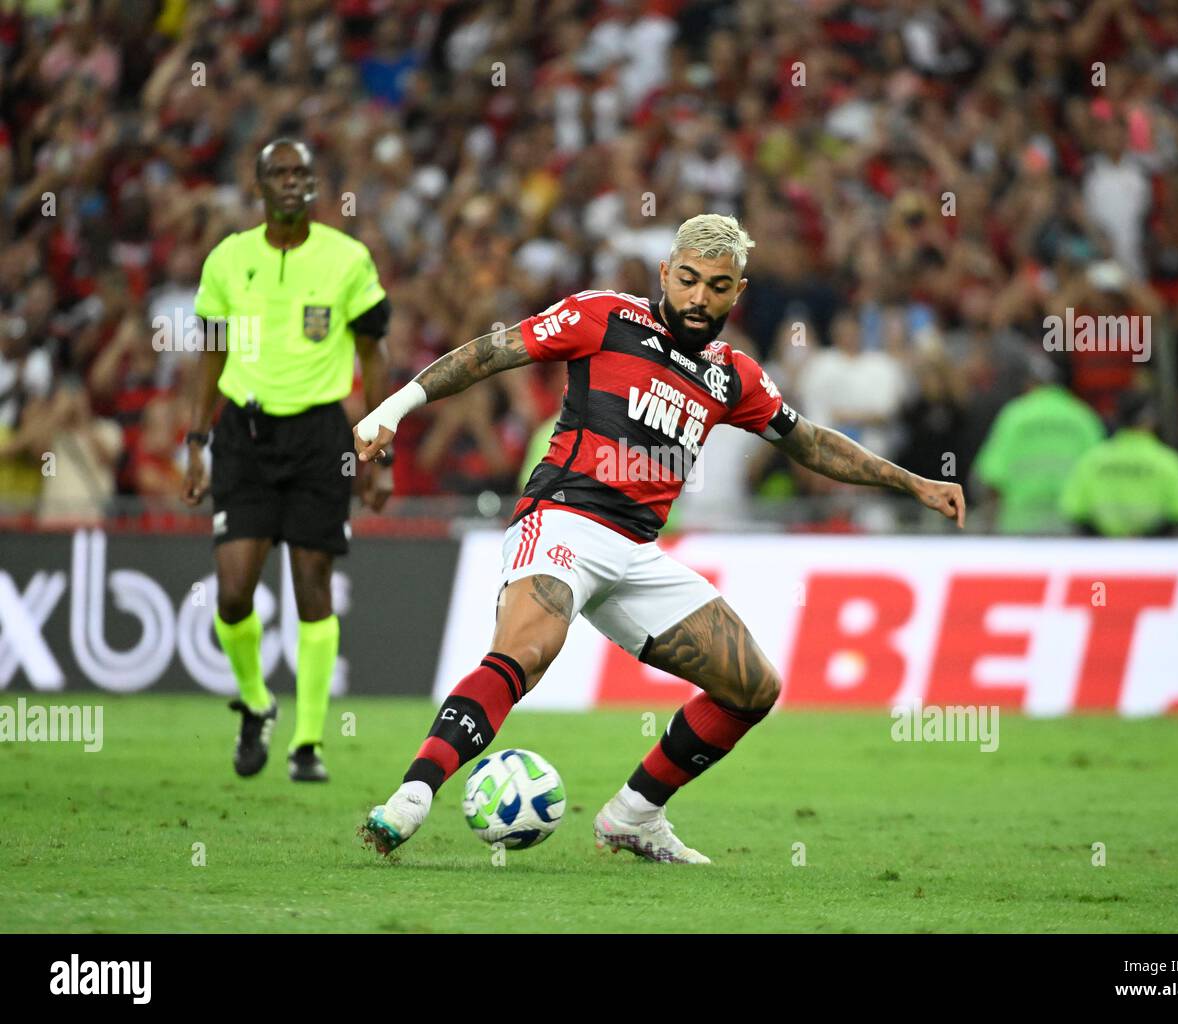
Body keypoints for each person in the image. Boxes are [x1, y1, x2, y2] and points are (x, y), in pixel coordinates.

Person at [353, 214, 965, 863]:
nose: (700, 297)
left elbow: (810, 443)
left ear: (738, 292)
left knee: (753, 686)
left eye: (718, 286)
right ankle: (413, 796)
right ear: (667, 274)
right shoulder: (605, 318)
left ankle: (633, 816)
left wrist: (913, 483)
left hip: (635, 551)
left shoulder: (734, 377)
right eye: (690, 280)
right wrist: (394, 407)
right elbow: (491, 351)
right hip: (563, 518)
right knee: (527, 651)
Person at [182, 139, 393, 782]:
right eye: (279, 172)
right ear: (260, 186)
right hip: (243, 436)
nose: (292, 182)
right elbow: (210, 354)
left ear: (315, 185)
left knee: (312, 588)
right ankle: (255, 702)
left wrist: (375, 446)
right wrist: (196, 441)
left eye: (302, 171)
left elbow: (373, 354)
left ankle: (307, 744)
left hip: (320, 439)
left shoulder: (347, 258)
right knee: (233, 593)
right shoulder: (228, 259)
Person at [972, 356, 1106, 534]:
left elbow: (989, 477)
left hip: (1018, 525)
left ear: (1030, 383)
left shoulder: (1015, 416)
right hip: (1070, 526)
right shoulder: (1083, 417)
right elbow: (1102, 474)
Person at [1059, 391, 1178, 537]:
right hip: (1155, 554)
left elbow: (1074, 511)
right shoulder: (1168, 462)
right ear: (1151, 421)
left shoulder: (1091, 461)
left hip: (1102, 554)